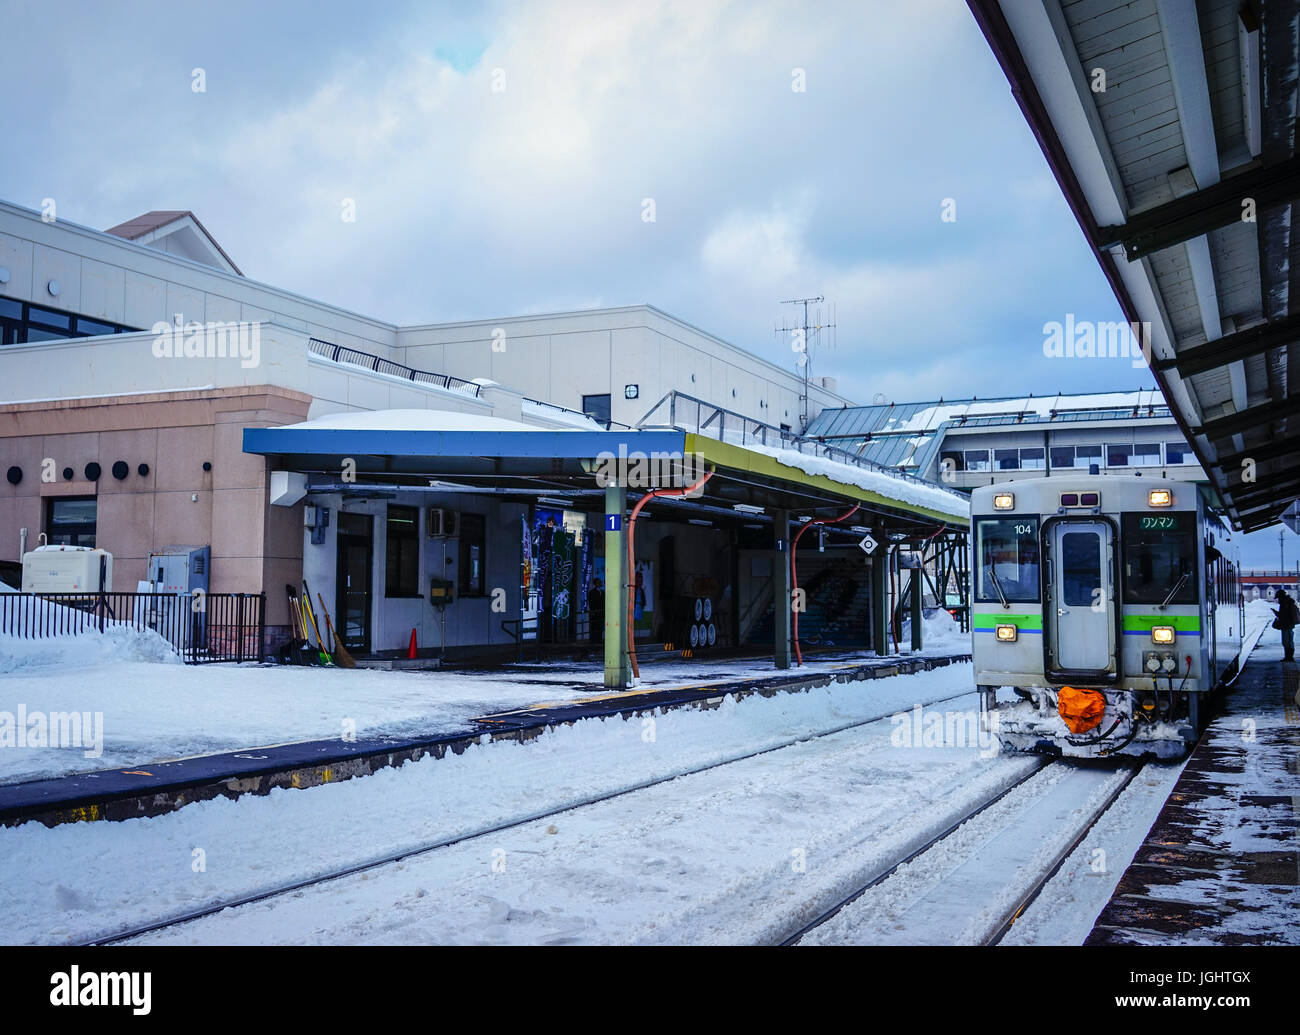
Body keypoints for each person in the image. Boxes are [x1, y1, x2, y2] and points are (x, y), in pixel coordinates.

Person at [1273, 589, 1298, 661]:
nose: (1278, 600)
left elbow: (1284, 615)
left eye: (1278, 598)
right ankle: (1289, 657)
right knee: (1289, 641)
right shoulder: (1289, 602)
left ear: (1281, 597)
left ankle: (1288, 657)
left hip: (1286, 625)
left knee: (1286, 641)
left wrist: (1276, 613)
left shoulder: (1284, 604)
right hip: (1290, 625)